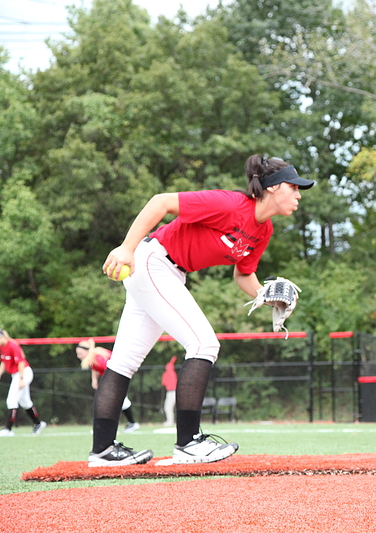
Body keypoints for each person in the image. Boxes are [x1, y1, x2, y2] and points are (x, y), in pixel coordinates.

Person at [89, 154, 313, 467]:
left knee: (124, 361)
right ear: (274, 188)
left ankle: (102, 451)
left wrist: (265, 295)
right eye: (294, 187)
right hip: (154, 261)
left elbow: (243, 273)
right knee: (204, 344)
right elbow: (160, 202)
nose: (299, 194)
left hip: (168, 272)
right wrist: (127, 248)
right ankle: (189, 443)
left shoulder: (263, 231)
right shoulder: (231, 205)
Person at [76, 339, 140, 433]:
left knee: (107, 402)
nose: (78, 356)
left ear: (87, 351)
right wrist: (94, 380)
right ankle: (131, 423)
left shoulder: (98, 358)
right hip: (115, 378)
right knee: (121, 402)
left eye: (80, 353)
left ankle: (105, 427)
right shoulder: (93, 357)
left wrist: (109, 386)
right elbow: (95, 369)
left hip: (118, 377)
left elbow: (111, 372)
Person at [0, 328, 47, 436]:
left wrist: (21, 378)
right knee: (25, 402)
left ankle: (8, 429)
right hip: (17, 374)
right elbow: (3, 362)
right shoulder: (2, 347)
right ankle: (38, 423)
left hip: (23, 373)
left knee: (11, 400)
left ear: (1, 336)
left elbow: (20, 362)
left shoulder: (12, 345)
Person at [161, 356, 178, 426]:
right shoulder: (173, 374)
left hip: (171, 392)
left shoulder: (167, 374)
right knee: (169, 407)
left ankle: (170, 421)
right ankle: (170, 421)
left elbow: (164, 383)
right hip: (173, 392)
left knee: (168, 407)